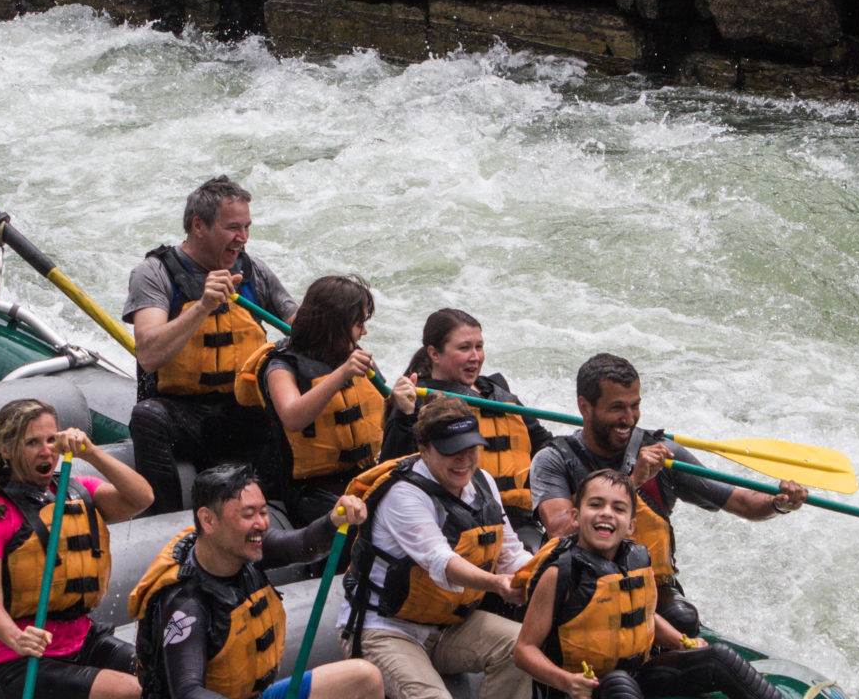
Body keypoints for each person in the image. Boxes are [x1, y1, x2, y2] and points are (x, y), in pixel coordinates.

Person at [514, 470, 859, 699]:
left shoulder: (636, 558)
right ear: (576, 515)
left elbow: (641, 615)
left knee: (716, 658)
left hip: (636, 675)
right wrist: (566, 682)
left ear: (631, 525)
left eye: (618, 508)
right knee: (618, 683)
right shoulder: (560, 574)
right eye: (595, 505)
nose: (606, 513)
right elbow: (524, 649)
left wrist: (680, 641)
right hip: (582, 696)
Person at [132, 463, 388, 699]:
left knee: (365, 677)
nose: (261, 524)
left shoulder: (241, 550)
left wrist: (333, 519)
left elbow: (303, 544)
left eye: (264, 512)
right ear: (208, 520)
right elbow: (187, 696)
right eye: (248, 514)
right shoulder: (187, 602)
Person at [530, 353, 808, 636]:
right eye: (617, 408)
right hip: (578, 587)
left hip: (646, 586)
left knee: (682, 619)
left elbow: (742, 502)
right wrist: (634, 481)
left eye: (635, 406)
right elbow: (559, 530)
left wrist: (779, 503)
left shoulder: (662, 453)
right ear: (585, 407)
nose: (629, 418)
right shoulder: (554, 459)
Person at [339, 397, 534, 699]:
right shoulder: (403, 494)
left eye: (470, 449)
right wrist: (498, 585)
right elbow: (441, 562)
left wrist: (541, 576)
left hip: (447, 626)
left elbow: (511, 552)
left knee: (517, 648)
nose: (464, 461)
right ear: (424, 449)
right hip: (385, 629)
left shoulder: (483, 483)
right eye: (451, 451)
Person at [0, 399, 154, 699]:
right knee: (135, 695)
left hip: (82, 641)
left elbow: (142, 497)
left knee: (160, 680)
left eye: (51, 440)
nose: (46, 451)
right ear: (6, 449)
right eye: (32, 442)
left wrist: (92, 453)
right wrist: (15, 636)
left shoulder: (78, 490)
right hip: (16, 663)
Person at [122, 176, 299, 514]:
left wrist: (332, 317)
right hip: (182, 413)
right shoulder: (155, 273)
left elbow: (298, 325)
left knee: (285, 405)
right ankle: (166, 521)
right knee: (147, 417)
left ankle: (281, 513)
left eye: (246, 227)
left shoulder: (253, 271)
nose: (242, 238)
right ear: (198, 226)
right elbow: (149, 354)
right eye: (233, 228)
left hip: (242, 411)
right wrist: (202, 306)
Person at [382, 309, 551, 550]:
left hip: (517, 519)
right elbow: (391, 470)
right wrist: (404, 415)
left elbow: (544, 446)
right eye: (464, 348)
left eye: (479, 347)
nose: (475, 357)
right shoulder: (416, 399)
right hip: (452, 518)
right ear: (434, 354)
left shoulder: (499, 394)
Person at [236, 274, 385, 526]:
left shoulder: (353, 356)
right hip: (307, 490)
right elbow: (293, 417)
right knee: (368, 524)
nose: (364, 331)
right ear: (334, 325)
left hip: (360, 478)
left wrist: (401, 404)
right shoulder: (282, 364)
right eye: (359, 324)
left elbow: (382, 412)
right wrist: (341, 374)